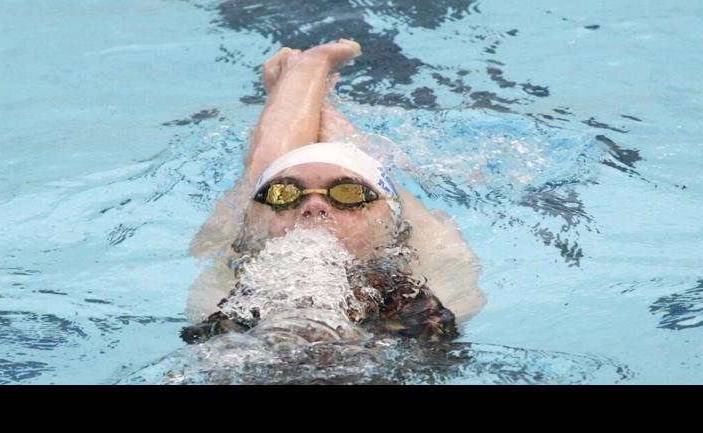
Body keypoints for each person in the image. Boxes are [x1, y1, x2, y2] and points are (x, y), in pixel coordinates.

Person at [182, 40, 485, 344]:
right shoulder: (227, 289)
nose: (314, 205)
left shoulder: (431, 294)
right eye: (284, 195)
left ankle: (307, 81)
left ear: (395, 229)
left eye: (350, 194)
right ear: (253, 226)